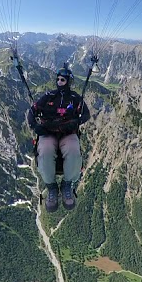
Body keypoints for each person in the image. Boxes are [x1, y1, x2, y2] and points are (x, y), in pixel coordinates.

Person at [27, 66, 91, 212]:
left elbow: (86, 115)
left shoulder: (75, 99)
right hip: (47, 132)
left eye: (62, 79)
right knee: (45, 151)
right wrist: (35, 127)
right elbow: (32, 112)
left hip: (68, 133)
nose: (59, 81)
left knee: (74, 151)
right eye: (58, 79)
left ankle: (67, 184)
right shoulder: (49, 96)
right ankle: (51, 187)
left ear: (68, 81)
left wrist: (76, 123)